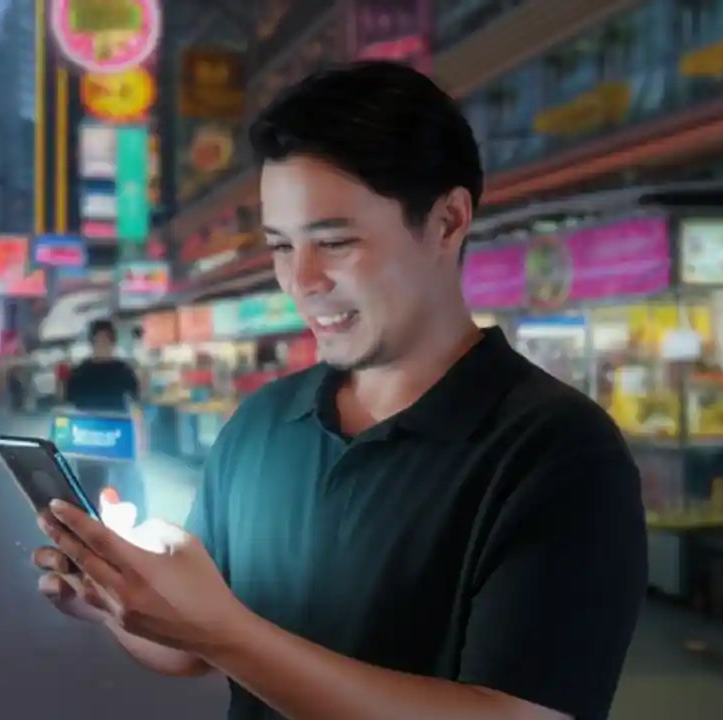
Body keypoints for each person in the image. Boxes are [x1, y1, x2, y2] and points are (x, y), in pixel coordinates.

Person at [32, 61, 647, 720]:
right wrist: (118, 600)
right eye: (280, 247)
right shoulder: (262, 425)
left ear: (447, 222)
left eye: (335, 243)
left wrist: (224, 633)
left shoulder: (559, 452)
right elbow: (191, 648)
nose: (301, 280)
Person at [64, 320, 144, 520]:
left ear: (112, 342)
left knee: (123, 486)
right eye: (98, 341)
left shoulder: (123, 369)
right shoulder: (80, 371)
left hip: (117, 437)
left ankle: (123, 526)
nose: (102, 345)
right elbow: (69, 402)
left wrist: (140, 437)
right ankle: (92, 525)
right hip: (88, 438)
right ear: (92, 343)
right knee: (90, 487)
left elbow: (135, 399)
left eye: (106, 340)